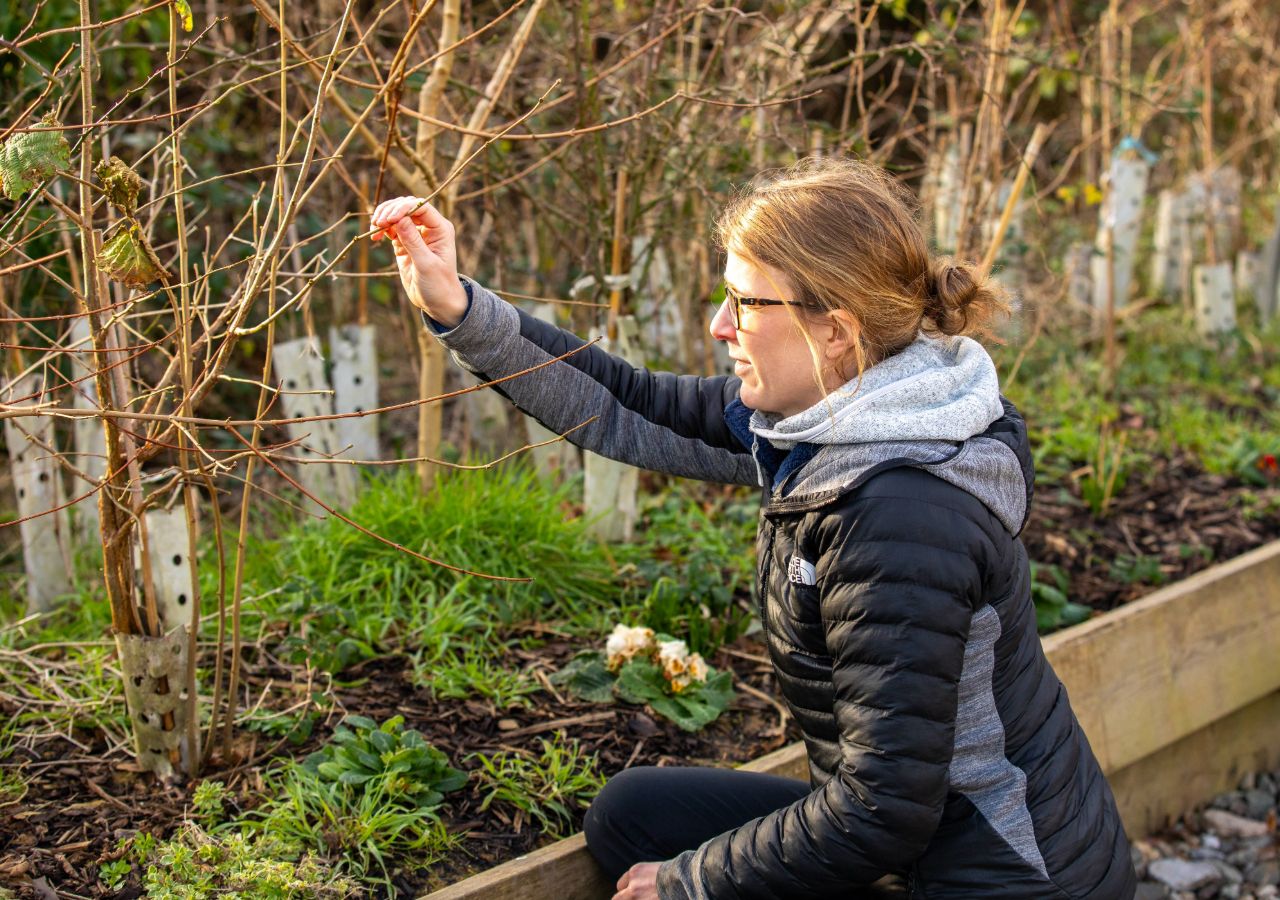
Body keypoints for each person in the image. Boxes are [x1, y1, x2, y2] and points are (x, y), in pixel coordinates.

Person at [370, 157, 1137, 900]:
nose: (717, 326)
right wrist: (459, 309)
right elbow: (628, 407)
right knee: (635, 820)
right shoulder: (842, 412)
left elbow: (882, 811)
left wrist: (693, 881)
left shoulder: (899, 522)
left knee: (677, 871)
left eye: (744, 303)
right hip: (924, 840)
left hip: (1004, 879)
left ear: (834, 330)